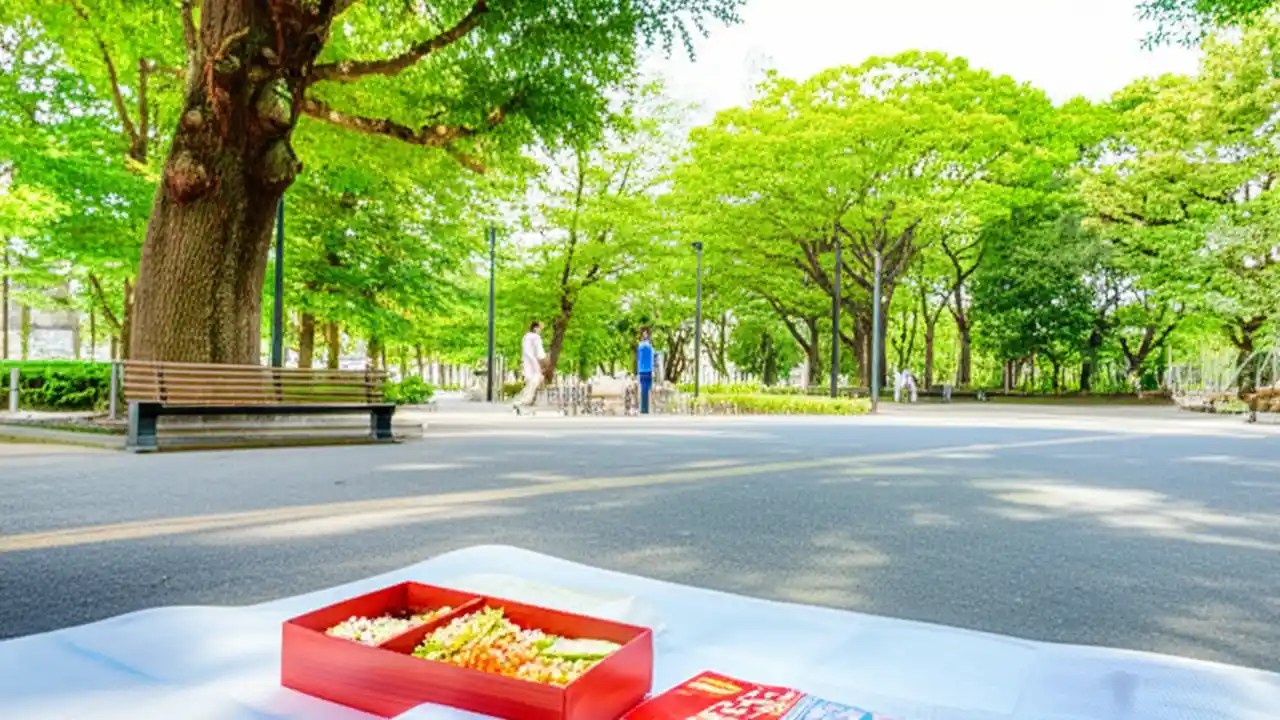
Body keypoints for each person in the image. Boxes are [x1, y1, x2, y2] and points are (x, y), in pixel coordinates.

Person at [513, 321, 546, 413]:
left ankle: (520, 402)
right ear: (535, 328)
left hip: (527, 364)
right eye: (540, 328)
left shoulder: (526, 337)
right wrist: (544, 361)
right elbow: (540, 353)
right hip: (534, 364)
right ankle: (521, 402)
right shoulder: (536, 338)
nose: (540, 330)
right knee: (533, 383)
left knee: (530, 384)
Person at [636, 327, 655, 414]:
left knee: (649, 388)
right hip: (643, 370)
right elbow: (639, 359)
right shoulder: (641, 345)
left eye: (646, 333)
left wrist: (653, 369)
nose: (645, 335)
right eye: (643, 333)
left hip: (649, 370)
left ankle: (647, 408)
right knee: (644, 389)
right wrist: (638, 372)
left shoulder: (650, 345)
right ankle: (644, 409)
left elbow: (652, 358)